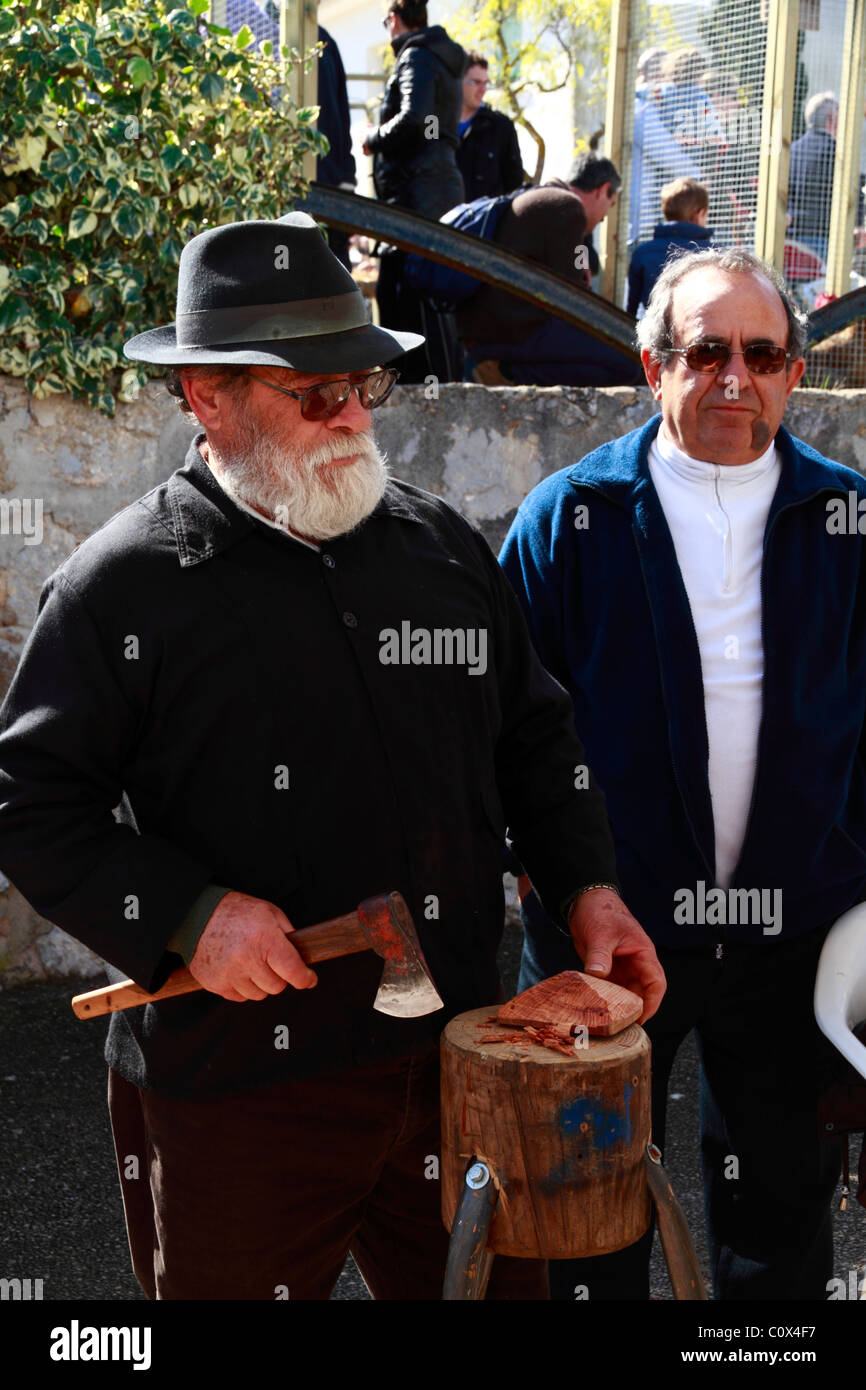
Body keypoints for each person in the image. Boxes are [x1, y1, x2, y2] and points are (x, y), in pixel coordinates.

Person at [0, 213, 664, 1301]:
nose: (352, 414)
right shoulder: (121, 589)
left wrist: (588, 887)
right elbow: (30, 801)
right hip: (237, 1095)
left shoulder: (442, 551)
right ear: (206, 394)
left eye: (364, 383)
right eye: (313, 393)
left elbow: (534, 739)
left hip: (461, 1064)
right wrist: (190, 916)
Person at [500, 246, 864, 1301]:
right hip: (608, 933)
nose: (732, 380)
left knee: (780, 1220)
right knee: (585, 1208)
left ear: (795, 371)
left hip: (796, 935)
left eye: (760, 354)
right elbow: (502, 728)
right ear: (650, 363)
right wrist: (549, 877)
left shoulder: (846, 523)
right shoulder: (566, 521)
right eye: (704, 351)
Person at [459, 152, 641, 387]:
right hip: (514, 336)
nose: (605, 217)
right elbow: (573, 304)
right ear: (602, 190)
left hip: (491, 331)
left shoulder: (540, 195)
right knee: (630, 362)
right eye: (610, 203)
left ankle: (505, 368)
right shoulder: (567, 206)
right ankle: (508, 373)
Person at [363, 0, 466, 383]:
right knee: (422, 297)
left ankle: (410, 393)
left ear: (394, 20)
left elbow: (415, 117)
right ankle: (433, 390)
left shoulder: (416, 57)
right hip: (434, 193)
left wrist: (373, 139)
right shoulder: (443, 59)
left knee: (401, 295)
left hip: (414, 200)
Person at [626, 177, 713, 317]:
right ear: (699, 214)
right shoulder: (714, 254)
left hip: (656, 330)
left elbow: (632, 308)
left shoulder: (642, 253)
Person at [456, 51, 525, 201]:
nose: (483, 89)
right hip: (438, 219)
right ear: (458, 81)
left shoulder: (501, 127)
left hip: (483, 220)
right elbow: (428, 161)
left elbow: (514, 185)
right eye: (476, 82)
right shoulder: (434, 120)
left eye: (485, 83)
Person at [787, 92, 839, 265]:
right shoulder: (836, 153)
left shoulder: (792, 151)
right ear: (832, 119)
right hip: (823, 237)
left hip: (791, 238)